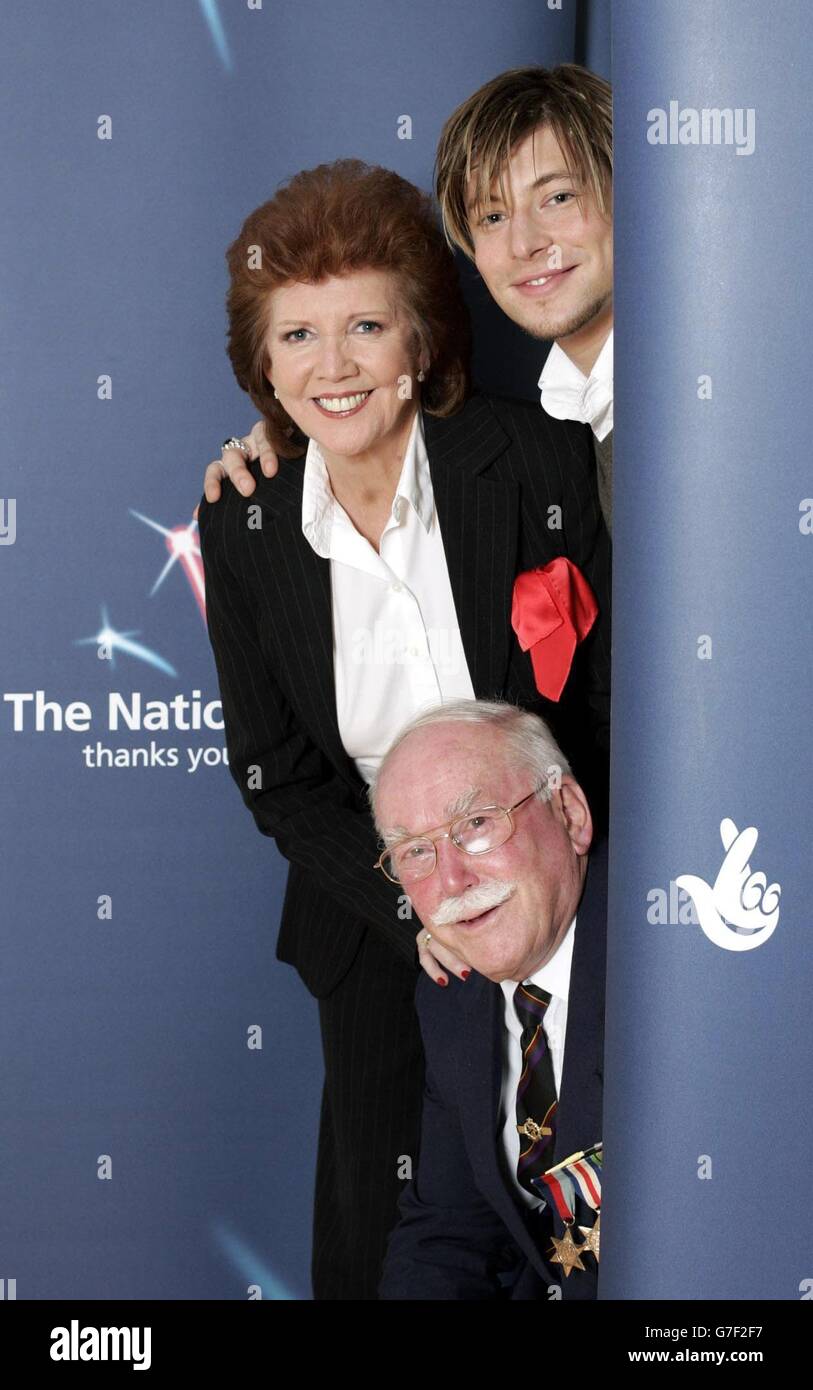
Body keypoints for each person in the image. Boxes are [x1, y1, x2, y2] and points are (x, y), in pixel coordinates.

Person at [197, 158, 610, 1299]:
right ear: (263, 365)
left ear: (420, 342)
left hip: (553, 897)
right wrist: (408, 905)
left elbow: (610, 700)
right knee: (383, 1246)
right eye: (296, 337)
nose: (331, 368)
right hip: (382, 933)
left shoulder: (533, 462)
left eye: (365, 326)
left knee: (575, 1219)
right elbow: (275, 773)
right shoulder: (246, 517)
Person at [204, 63, 614, 534]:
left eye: (558, 198)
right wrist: (280, 435)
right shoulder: (569, 418)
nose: (525, 244)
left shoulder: (564, 455)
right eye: (493, 217)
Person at [368, 698, 606, 1301]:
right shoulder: (453, 996)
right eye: (416, 851)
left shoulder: (670, 968)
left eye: (475, 824)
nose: (452, 881)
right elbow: (449, 1233)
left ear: (570, 814)